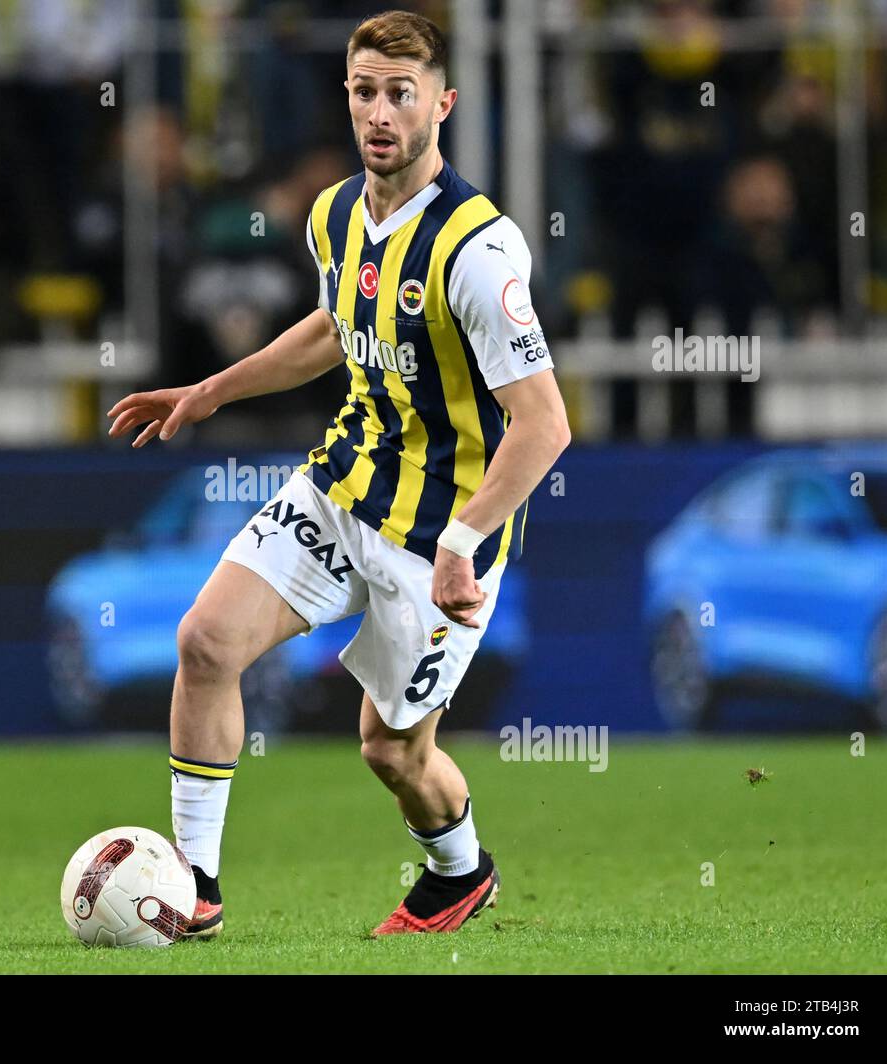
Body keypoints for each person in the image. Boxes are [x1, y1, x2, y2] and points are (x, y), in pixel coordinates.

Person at [107, 10, 571, 938]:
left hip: (441, 529)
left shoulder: (477, 252)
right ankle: (196, 884)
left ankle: (460, 871)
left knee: (391, 751)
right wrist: (211, 390)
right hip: (344, 483)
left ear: (441, 104)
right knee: (204, 644)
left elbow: (546, 425)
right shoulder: (332, 213)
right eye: (365, 91)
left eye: (401, 93)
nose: (380, 111)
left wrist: (464, 540)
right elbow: (330, 329)